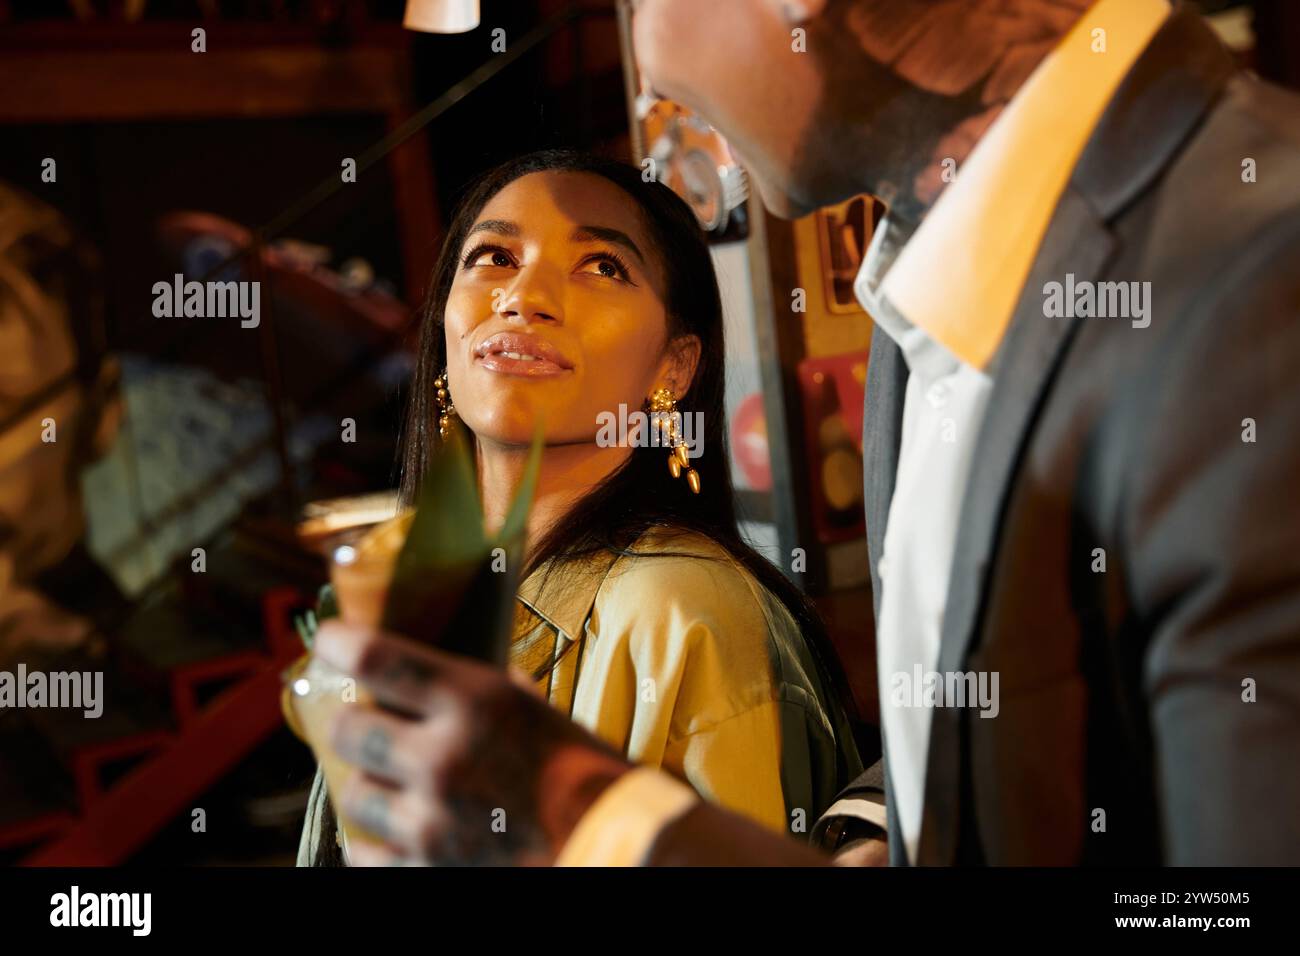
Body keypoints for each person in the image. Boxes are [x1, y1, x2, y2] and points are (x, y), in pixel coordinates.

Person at [310, 0, 1300, 865]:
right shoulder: (920, 307)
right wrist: (877, 827)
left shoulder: (1259, 278)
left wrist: (596, 823)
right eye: (489, 258)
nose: (646, 63)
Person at [297, 149, 861, 865]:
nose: (522, 296)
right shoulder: (413, 583)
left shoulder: (680, 610)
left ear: (673, 367)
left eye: (602, 266)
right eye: (494, 255)